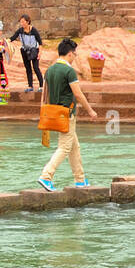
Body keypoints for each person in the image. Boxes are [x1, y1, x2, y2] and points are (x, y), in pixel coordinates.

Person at [38, 38, 98, 191]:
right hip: (67, 113)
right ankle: (46, 176)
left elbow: (45, 94)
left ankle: (80, 179)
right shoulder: (68, 71)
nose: (75, 57)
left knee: (74, 146)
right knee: (64, 147)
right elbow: (78, 94)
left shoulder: (50, 70)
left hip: (54, 112)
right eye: (75, 54)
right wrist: (90, 110)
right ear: (70, 54)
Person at [9, 14, 44, 91]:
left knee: (36, 68)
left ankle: (41, 85)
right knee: (28, 68)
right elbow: (13, 37)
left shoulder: (34, 30)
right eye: (20, 22)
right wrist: (6, 41)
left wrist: (39, 53)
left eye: (23, 22)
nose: (21, 24)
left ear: (28, 22)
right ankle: (30, 86)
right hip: (25, 51)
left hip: (34, 50)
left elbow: (40, 42)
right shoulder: (20, 31)